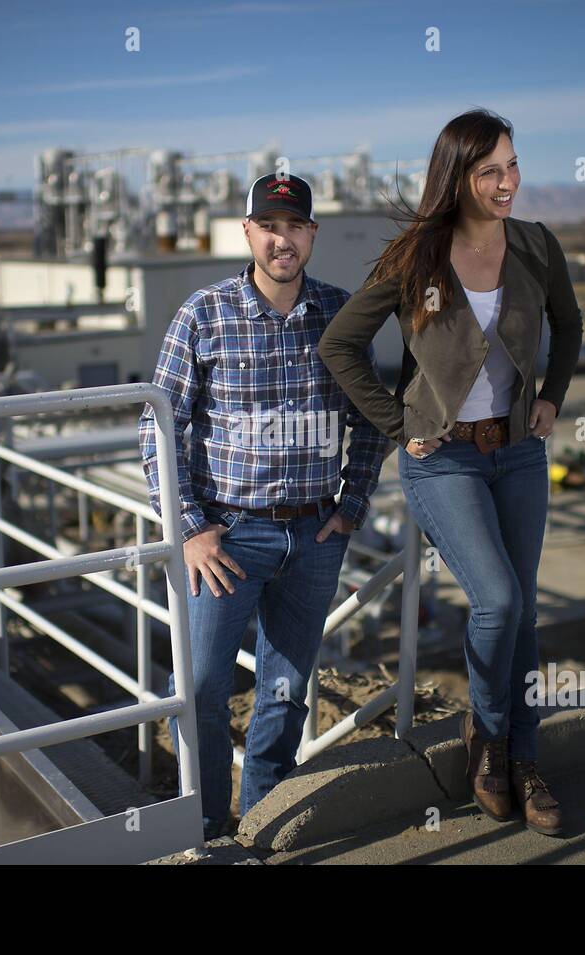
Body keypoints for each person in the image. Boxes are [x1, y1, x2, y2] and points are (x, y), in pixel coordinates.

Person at [317, 109, 583, 836]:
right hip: (445, 459)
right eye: (491, 170)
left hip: (521, 453)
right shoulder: (417, 257)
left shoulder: (534, 244)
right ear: (458, 176)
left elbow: (572, 322)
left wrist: (553, 395)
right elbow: (340, 345)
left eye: (513, 166)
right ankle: (488, 737)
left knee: (523, 609)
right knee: (497, 598)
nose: (508, 182)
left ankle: (523, 761)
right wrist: (400, 424)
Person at [138, 173, 389, 842]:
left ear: (312, 234)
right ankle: (205, 827)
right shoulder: (204, 313)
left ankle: (263, 825)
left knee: (285, 688)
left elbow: (371, 418)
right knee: (197, 689)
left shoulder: (340, 315)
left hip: (313, 535)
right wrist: (190, 529)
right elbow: (156, 427)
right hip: (227, 540)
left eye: (295, 226)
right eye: (269, 226)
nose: (283, 239)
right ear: (248, 231)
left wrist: (353, 500)